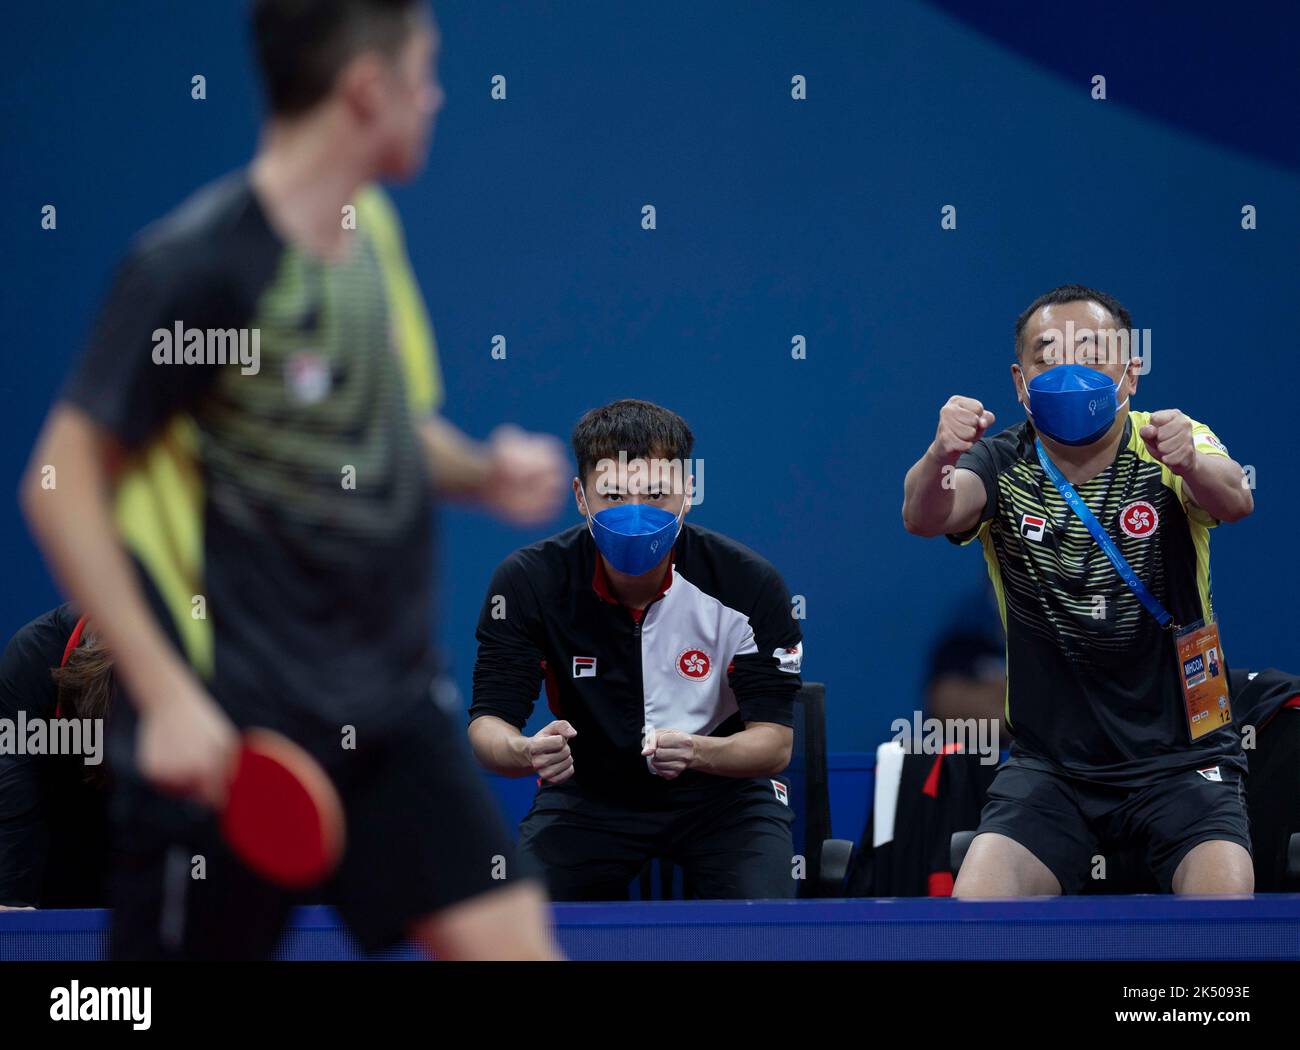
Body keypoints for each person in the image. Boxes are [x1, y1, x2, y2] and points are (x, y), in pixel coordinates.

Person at [21, 0, 566, 959]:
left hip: (391, 711)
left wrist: (484, 472)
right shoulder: (197, 266)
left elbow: (385, 428)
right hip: (236, 728)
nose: (436, 95)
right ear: (367, 88)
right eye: (424, 70)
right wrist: (171, 699)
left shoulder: (372, 239)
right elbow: (58, 484)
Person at [902, 284, 1255, 897]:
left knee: (1225, 921)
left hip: (1185, 761)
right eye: (1048, 355)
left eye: (1092, 352)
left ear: (1131, 372)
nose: (1069, 369)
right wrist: (939, 454)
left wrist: (1192, 464)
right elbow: (925, 515)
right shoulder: (999, 460)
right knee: (977, 913)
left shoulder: (1169, 440)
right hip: (1050, 768)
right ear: (1020, 380)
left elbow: (1234, 497)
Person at [468, 399, 804, 900]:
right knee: (521, 918)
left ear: (689, 492)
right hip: (588, 795)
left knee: (761, 924)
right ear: (581, 497)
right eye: (614, 494)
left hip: (725, 797)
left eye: (656, 493)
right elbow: (487, 725)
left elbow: (774, 744)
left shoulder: (748, 585)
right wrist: (525, 751)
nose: (635, 514)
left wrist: (698, 751)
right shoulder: (528, 582)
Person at [0, 606, 114, 908]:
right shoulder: (33, 655)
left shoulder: (191, 660)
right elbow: (15, 792)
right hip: (58, 823)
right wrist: (10, 901)